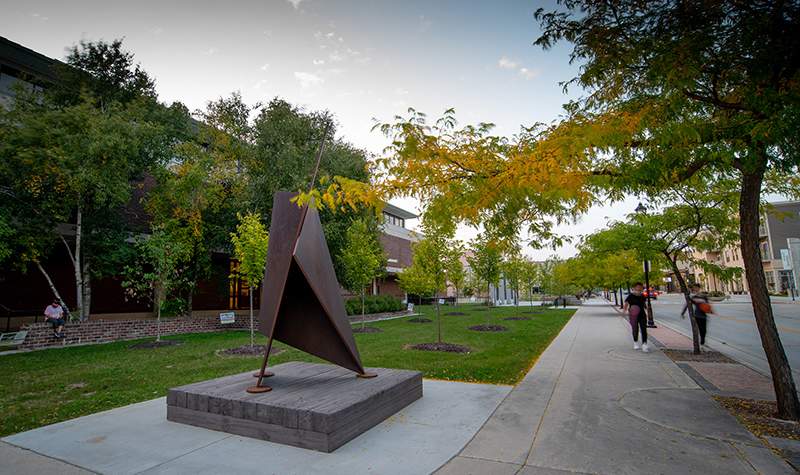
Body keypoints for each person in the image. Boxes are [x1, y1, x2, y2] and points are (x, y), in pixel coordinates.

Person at [622, 282, 649, 352]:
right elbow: (626, 304)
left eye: (641, 287)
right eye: (639, 287)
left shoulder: (642, 296)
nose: (640, 288)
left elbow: (644, 304)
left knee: (643, 328)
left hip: (642, 314)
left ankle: (644, 343)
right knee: (635, 328)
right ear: (635, 288)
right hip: (634, 315)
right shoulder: (631, 296)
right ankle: (636, 342)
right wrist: (624, 311)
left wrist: (648, 310)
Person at [681, 283, 709, 348]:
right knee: (699, 329)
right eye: (694, 288)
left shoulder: (704, 297)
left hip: (703, 315)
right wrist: (683, 313)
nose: (695, 289)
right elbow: (688, 305)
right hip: (697, 315)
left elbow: (708, 306)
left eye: (696, 287)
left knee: (704, 330)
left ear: (699, 288)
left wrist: (709, 310)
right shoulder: (694, 297)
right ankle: (700, 343)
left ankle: (702, 341)